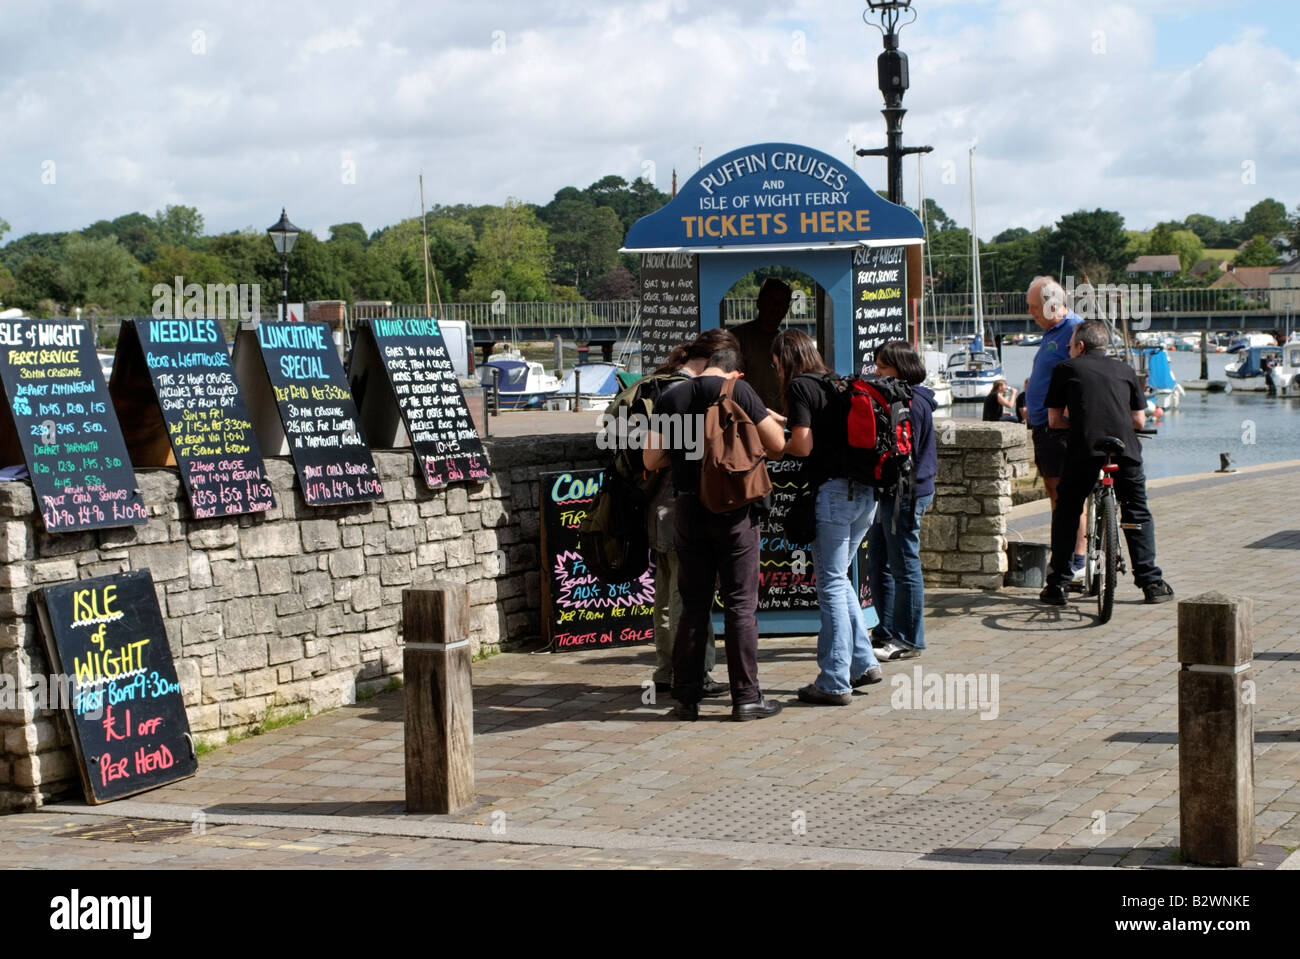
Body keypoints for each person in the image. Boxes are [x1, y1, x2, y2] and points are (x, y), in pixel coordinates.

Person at [644, 346, 786, 721]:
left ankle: (686, 699)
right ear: (736, 372)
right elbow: (779, 445)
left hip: (688, 508)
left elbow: (650, 458)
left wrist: (684, 452)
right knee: (740, 605)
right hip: (735, 509)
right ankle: (746, 698)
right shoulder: (739, 392)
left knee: (693, 606)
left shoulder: (671, 396)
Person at [771, 329, 883, 706]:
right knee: (841, 580)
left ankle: (834, 680)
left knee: (832, 585)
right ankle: (864, 663)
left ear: (786, 359)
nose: (775, 371)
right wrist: (782, 417)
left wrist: (775, 445)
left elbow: (802, 444)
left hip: (833, 495)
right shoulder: (837, 381)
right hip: (866, 494)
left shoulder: (801, 385)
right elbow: (826, 427)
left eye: (775, 365)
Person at [1039, 321, 1174, 606]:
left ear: (1081, 346)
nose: (1069, 349)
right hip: (1125, 450)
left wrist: (1077, 423)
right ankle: (1151, 583)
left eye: (1070, 345)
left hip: (1084, 451)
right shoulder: (1125, 370)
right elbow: (1139, 420)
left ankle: (1057, 584)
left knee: (1068, 511)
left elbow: (1053, 420)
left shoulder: (1066, 369)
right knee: (1136, 512)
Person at [642, 330, 738, 698]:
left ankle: (666, 668)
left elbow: (647, 459)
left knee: (664, 594)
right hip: (681, 504)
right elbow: (656, 456)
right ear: (711, 360)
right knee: (689, 594)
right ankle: (695, 672)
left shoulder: (659, 386)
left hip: (654, 507)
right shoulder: (691, 394)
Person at [866, 341, 938, 661]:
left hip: (906, 494)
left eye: (882, 366)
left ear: (900, 368)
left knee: (904, 566)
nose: (876, 372)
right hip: (893, 492)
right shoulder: (900, 399)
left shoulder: (911, 403)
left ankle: (909, 639)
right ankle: (888, 628)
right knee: (879, 559)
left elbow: (904, 452)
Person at [1026, 276, 1087, 580]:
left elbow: (1085, 377)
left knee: (1069, 495)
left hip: (1060, 429)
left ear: (1052, 305)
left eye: (1034, 308)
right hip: (1043, 427)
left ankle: (1076, 557)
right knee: (1055, 493)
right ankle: (1064, 551)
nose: (1030, 313)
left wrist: (1064, 413)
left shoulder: (1073, 331)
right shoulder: (1052, 331)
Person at [731, 277, 792, 410]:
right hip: (745, 417)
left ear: (787, 309)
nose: (776, 309)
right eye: (771, 302)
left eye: (782, 304)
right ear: (759, 303)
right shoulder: (735, 339)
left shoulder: (788, 344)